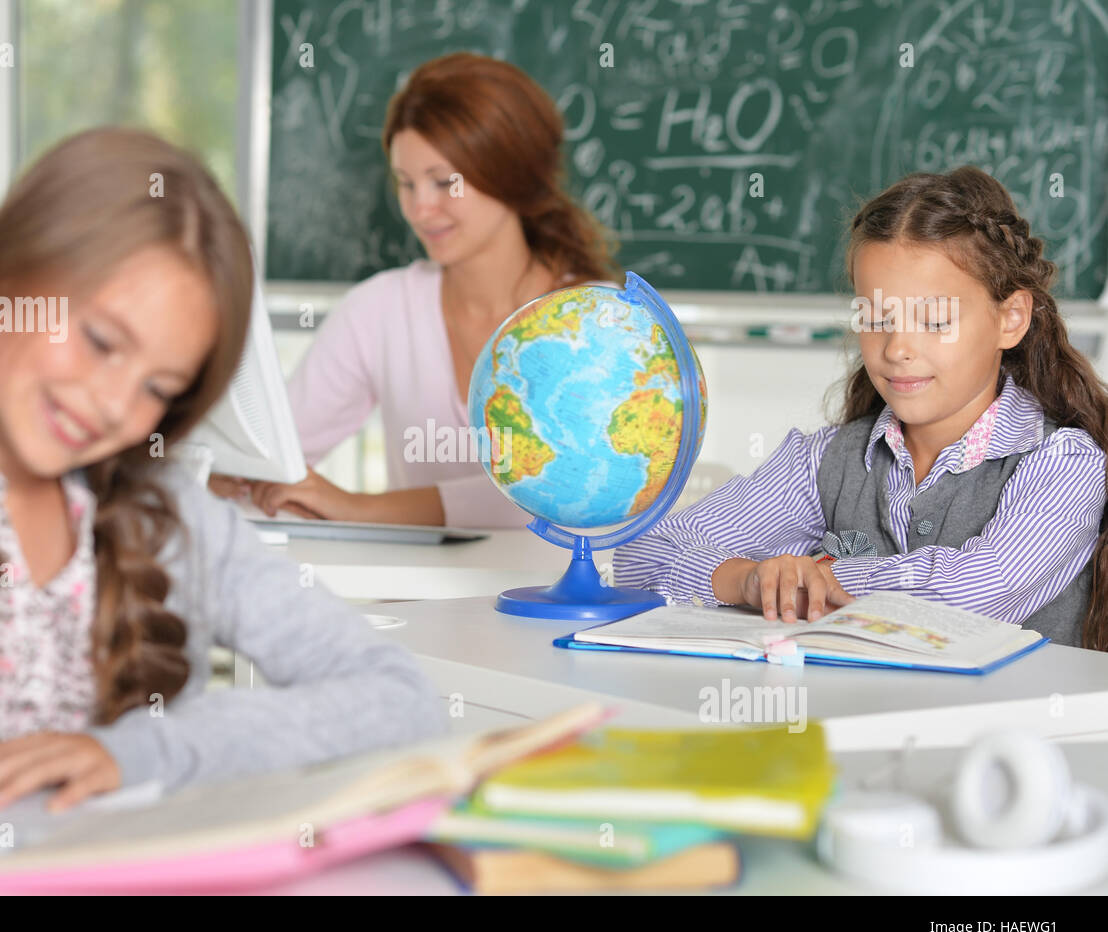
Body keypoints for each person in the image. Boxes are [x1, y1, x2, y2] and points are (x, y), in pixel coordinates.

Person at [0, 128, 443, 823]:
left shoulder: (173, 513)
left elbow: (399, 696)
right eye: (102, 340)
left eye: (159, 387)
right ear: (5, 278)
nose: (114, 406)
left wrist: (148, 752)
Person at [615, 166, 1108, 649]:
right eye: (876, 318)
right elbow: (642, 552)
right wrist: (746, 579)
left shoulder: (1064, 461)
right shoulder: (822, 460)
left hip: (1014, 730)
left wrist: (823, 574)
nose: (896, 348)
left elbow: (976, 591)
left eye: (935, 321)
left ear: (1012, 319)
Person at [212, 52, 621, 527]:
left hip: (559, 598)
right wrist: (233, 476)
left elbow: (556, 493)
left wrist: (358, 508)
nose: (420, 209)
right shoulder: (379, 309)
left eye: (445, 182)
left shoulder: (597, 321)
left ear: (510, 173)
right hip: (412, 598)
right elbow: (274, 454)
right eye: (406, 183)